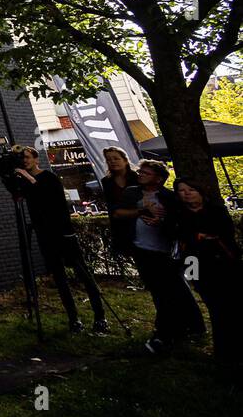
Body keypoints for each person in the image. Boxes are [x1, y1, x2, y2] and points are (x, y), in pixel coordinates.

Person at [13, 145, 108, 333]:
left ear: (35, 158)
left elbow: (53, 200)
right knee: (59, 278)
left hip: (63, 233)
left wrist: (28, 177)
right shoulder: (24, 181)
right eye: (21, 159)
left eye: (27, 157)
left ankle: (100, 316)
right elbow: (18, 196)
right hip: (44, 234)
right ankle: (74, 319)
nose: (24, 161)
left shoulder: (49, 178)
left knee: (84, 275)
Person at [113, 159, 206, 352]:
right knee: (157, 290)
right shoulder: (132, 192)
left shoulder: (169, 197)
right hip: (141, 249)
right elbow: (118, 213)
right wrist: (141, 211)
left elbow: (179, 222)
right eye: (141, 172)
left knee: (174, 289)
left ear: (159, 179)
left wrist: (161, 222)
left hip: (165, 251)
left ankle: (184, 327)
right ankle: (170, 328)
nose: (140, 175)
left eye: (146, 173)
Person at [174, 178, 242, 365]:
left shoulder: (216, 210)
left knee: (230, 304)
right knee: (212, 303)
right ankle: (223, 350)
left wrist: (200, 237)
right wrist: (199, 236)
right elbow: (178, 235)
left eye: (191, 189)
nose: (187, 193)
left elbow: (224, 233)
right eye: (182, 190)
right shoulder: (178, 214)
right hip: (193, 262)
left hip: (223, 262)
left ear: (200, 191)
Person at [100, 147, 137, 257]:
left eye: (116, 158)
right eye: (109, 160)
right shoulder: (106, 181)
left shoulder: (137, 178)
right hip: (121, 227)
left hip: (140, 225)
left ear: (125, 160)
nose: (112, 162)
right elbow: (111, 206)